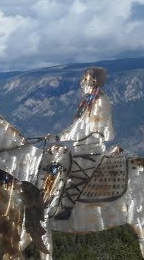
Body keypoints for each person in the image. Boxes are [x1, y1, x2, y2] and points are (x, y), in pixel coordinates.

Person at [46, 66, 116, 220]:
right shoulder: (89, 101)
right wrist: (59, 137)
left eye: (85, 79)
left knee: (71, 174)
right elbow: (78, 125)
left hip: (91, 147)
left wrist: (60, 138)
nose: (82, 82)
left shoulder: (100, 101)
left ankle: (67, 208)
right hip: (82, 145)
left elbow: (89, 128)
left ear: (94, 81)